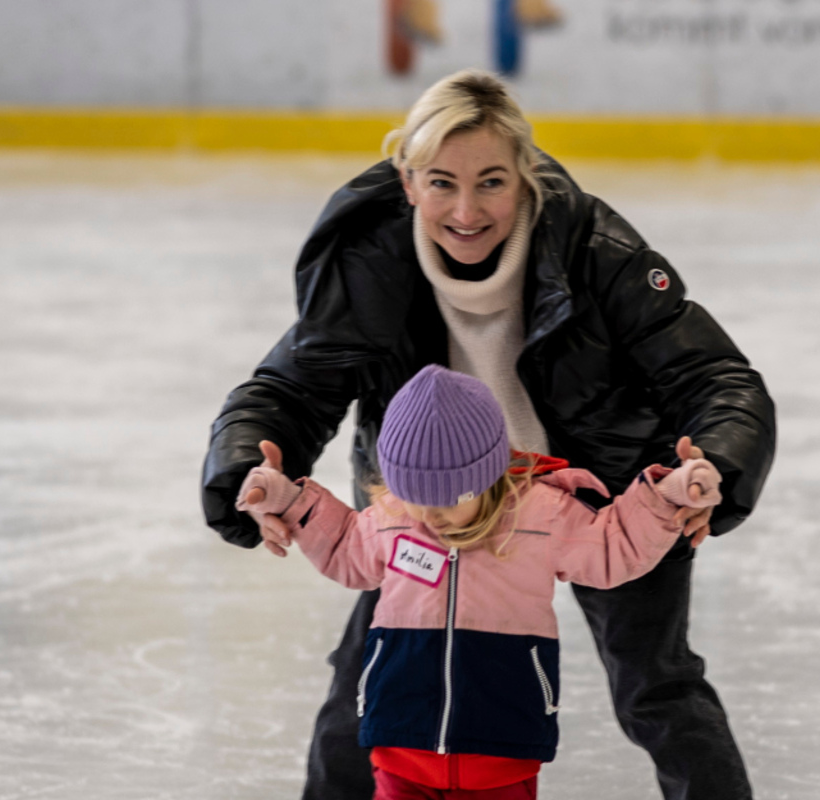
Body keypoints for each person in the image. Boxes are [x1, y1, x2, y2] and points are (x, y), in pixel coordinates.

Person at [200, 69, 775, 800]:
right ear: (408, 182)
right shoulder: (372, 262)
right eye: (442, 182)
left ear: (525, 176)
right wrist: (245, 467)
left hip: (602, 497)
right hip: (433, 501)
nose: (466, 211)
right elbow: (291, 385)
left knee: (655, 684)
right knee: (365, 690)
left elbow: (717, 377)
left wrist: (717, 465)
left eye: (492, 182)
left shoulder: (598, 253)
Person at [236, 365, 724, 800]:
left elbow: (613, 545)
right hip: (401, 740)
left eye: (448, 500)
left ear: (488, 478)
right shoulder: (393, 517)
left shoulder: (541, 515)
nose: (430, 516)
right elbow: (345, 545)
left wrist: (667, 495)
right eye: (415, 498)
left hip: (501, 741)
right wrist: (287, 500)